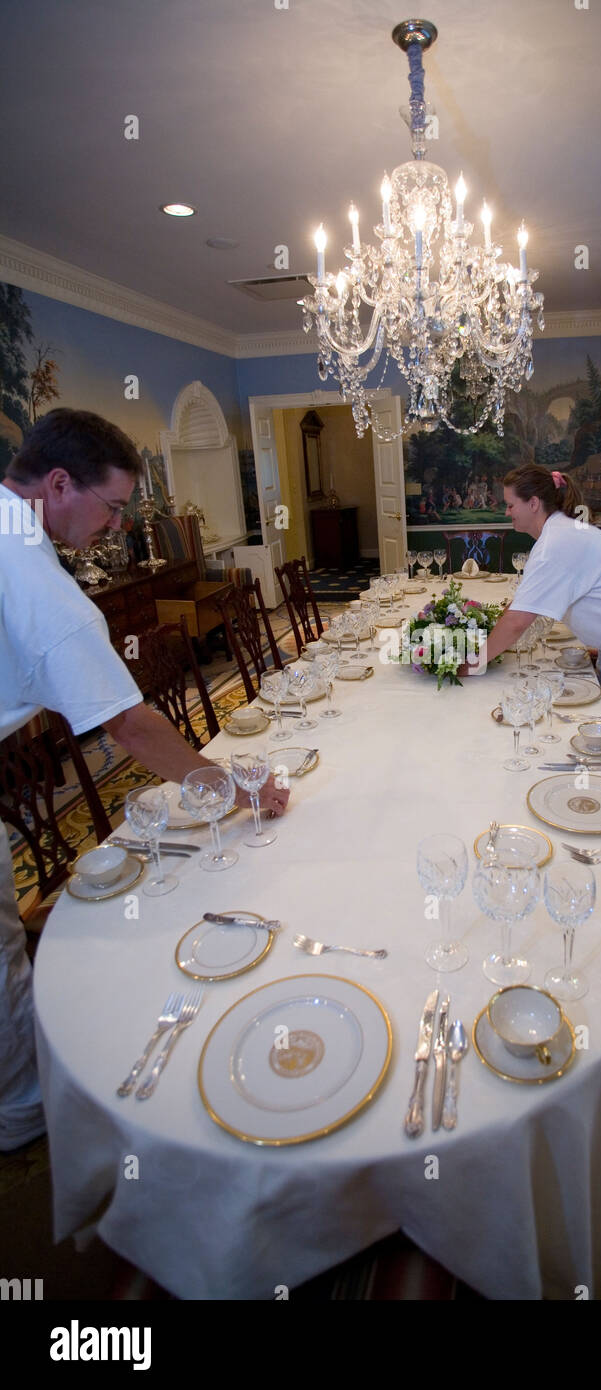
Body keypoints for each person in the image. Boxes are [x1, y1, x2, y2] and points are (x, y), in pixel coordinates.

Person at [0, 408, 289, 1150]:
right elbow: (129, 727)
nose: (119, 525)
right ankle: (28, 1123)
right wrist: (237, 790)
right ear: (60, 483)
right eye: (114, 507)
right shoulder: (38, 582)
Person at [467, 464, 601, 740]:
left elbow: (518, 621)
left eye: (510, 505)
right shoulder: (559, 534)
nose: (506, 512)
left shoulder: (556, 542)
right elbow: (521, 605)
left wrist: (474, 663)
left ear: (533, 503)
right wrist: (486, 646)